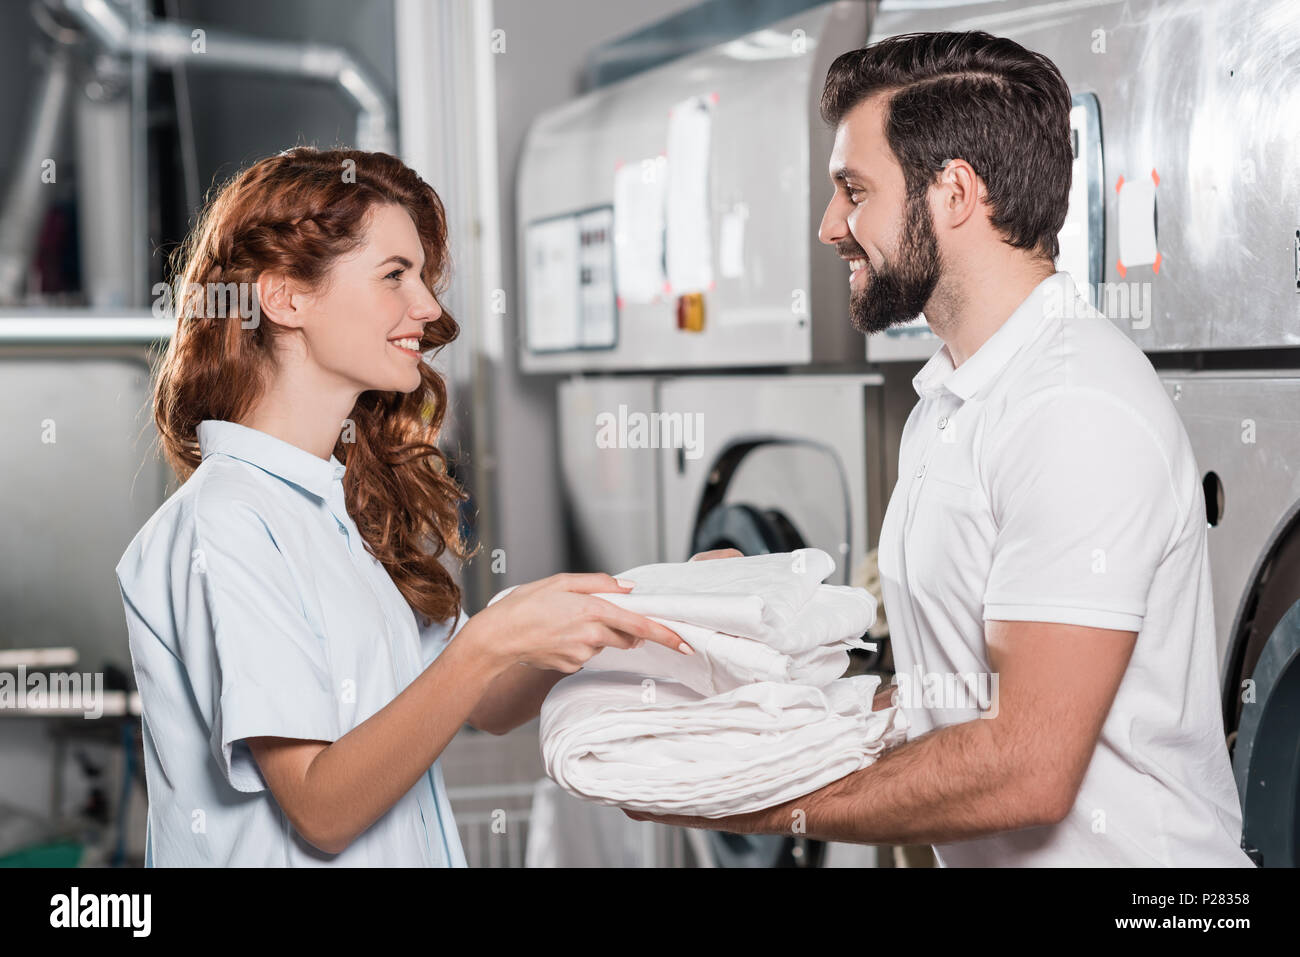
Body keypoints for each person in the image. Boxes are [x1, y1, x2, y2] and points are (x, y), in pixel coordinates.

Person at [628, 31, 1253, 866]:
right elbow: (952, 701)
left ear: (954, 192)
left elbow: (1027, 767)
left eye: (854, 190)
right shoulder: (953, 395)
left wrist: (753, 801)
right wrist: (761, 709)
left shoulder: (1074, 406)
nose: (830, 227)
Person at [115, 147, 692, 867]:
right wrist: (490, 643)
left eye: (421, 277)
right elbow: (320, 807)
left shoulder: (342, 508)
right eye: (395, 276)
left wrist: (662, 601)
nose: (428, 308)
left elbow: (487, 701)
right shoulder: (227, 520)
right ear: (287, 296)